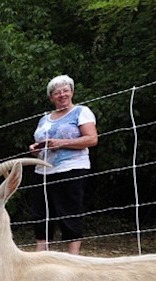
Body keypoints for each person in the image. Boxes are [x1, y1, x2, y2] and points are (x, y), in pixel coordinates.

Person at [27, 74, 98, 255]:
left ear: (72, 92)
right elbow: (41, 143)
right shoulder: (44, 119)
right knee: (41, 212)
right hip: (43, 170)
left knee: (69, 210)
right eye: (57, 93)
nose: (62, 95)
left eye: (66, 91)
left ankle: (73, 256)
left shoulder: (81, 112)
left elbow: (92, 139)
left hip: (71, 168)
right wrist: (35, 149)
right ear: (51, 97)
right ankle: (41, 254)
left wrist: (62, 143)